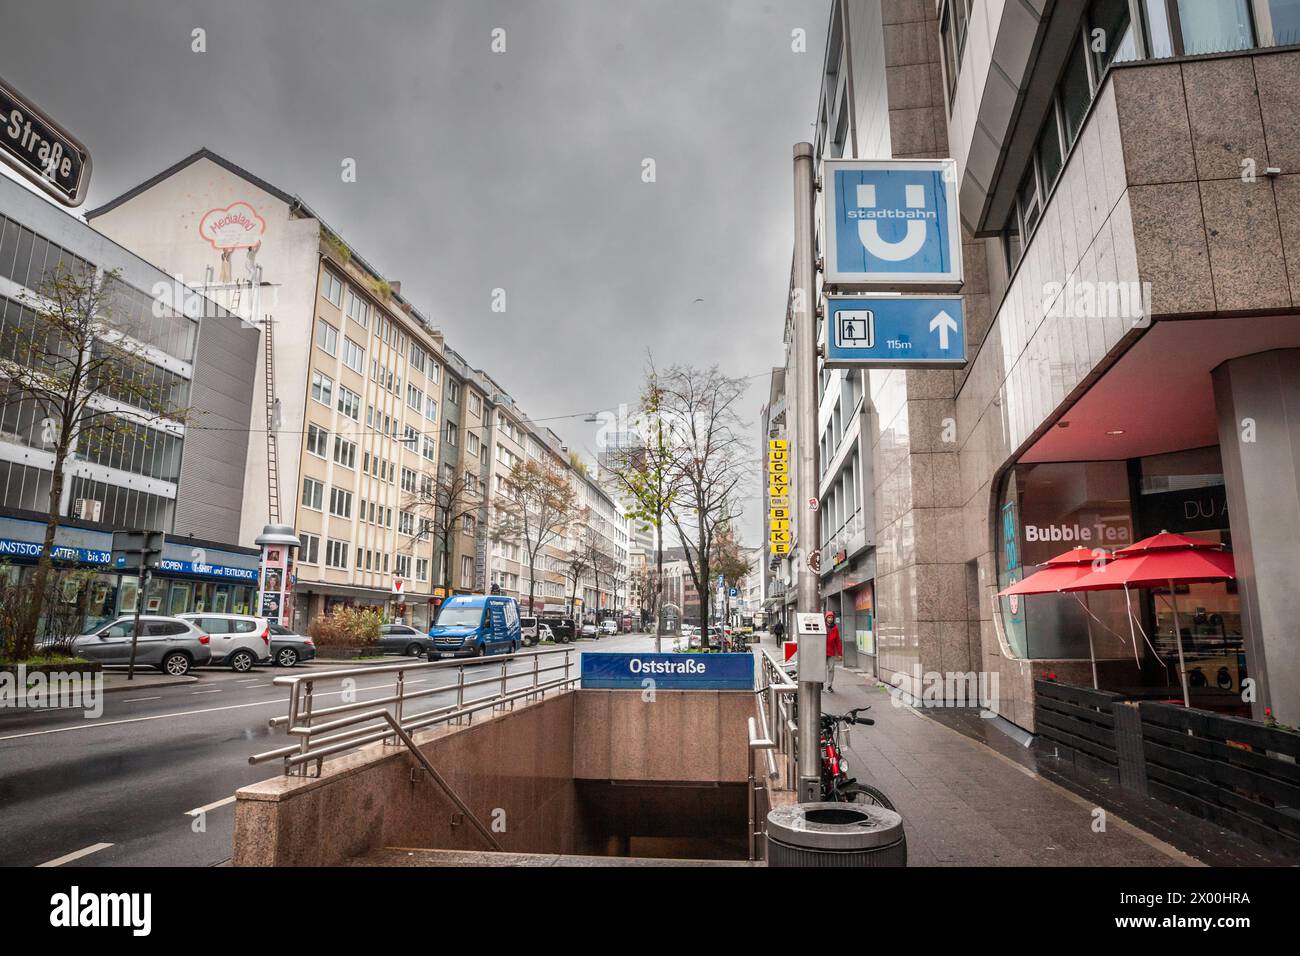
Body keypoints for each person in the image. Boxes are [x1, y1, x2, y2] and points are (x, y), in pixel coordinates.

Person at [824, 610, 842, 692]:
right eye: (829, 617)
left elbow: (838, 642)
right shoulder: (822, 627)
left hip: (831, 652)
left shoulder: (835, 629)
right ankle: (820, 683)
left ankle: (829, 686)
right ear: (826, 618)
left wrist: (840, 653)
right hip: (822, 651)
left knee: (831, 669)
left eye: (831, 617)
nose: (830, 619)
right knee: (821, 668)